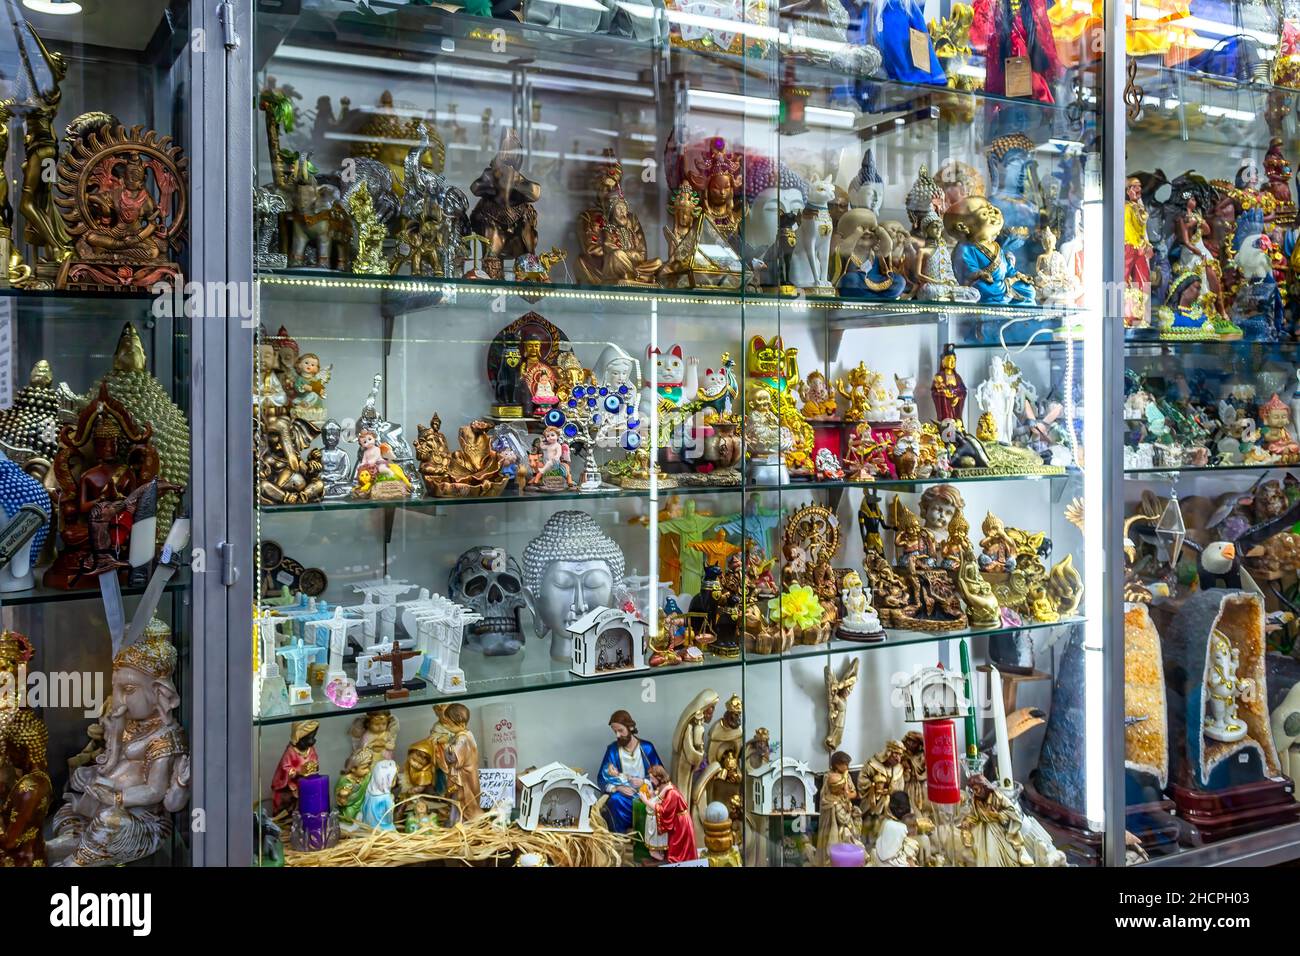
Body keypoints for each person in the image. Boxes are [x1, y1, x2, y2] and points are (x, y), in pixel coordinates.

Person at [597, 710, 662, 833]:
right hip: (625, 798)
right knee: (615, 800)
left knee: (654, 805)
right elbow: (602, 778)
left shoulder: (647, 748)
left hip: (647, 794)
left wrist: (643, 781)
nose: (617, 735)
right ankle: (620, 839)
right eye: (614, 731)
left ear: (630, 727)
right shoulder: (613, 750)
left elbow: (660, 775)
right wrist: (618, 788)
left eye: (620, 730)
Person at [645, 765, 697, 863]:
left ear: (659, 778)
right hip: (677, 820)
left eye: (652, 778)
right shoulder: (664, 787)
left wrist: (646, 801)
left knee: (677, 847)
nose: (652, 781)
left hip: (681, 824)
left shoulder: (671, 792)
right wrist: (652, 794)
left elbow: (663, 810)